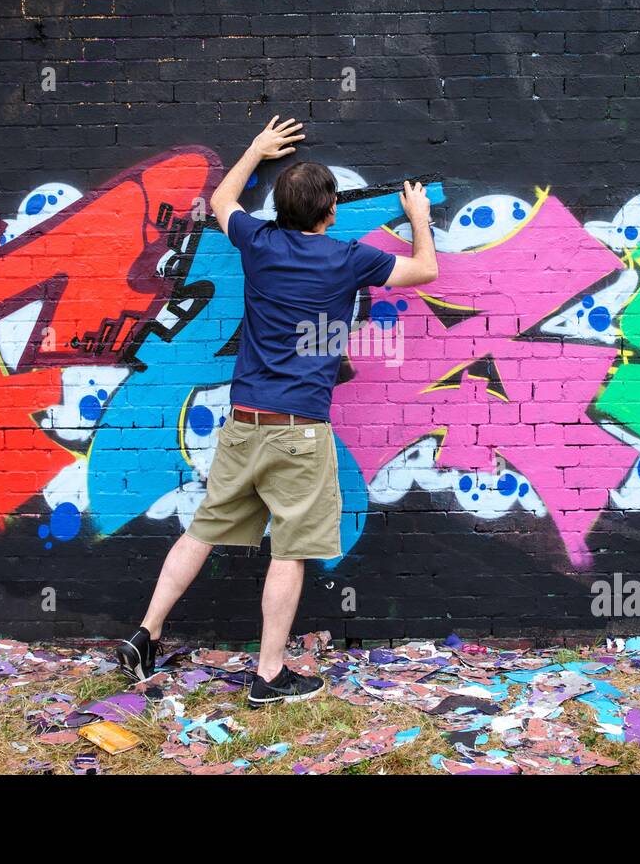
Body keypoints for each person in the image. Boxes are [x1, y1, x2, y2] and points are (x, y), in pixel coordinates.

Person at [116, 117, 439, 705]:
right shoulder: (347, 258)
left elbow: (221, 200)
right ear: (331, 212)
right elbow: (425, 271)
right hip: (299, 432)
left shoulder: (258, 243)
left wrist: (255, 150)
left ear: (282, 210)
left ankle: (145, 633)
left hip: (243, 425)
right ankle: (268, 676)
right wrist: (417, 216)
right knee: (289, 552)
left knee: (202, 531)